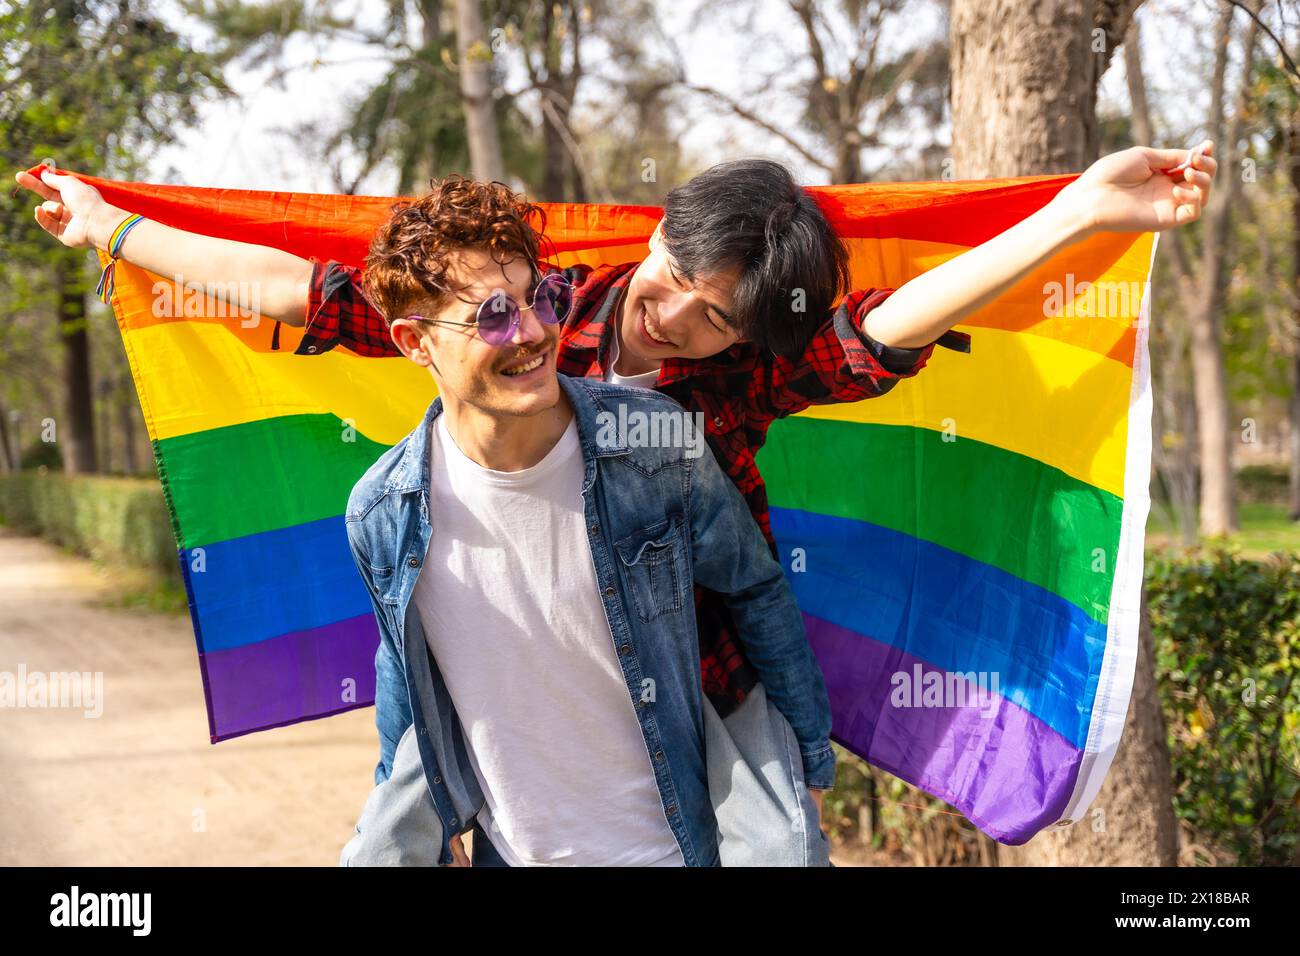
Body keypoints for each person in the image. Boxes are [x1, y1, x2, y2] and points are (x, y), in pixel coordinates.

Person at [15, 140, 1217, 832]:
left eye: (720, 312)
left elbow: (882, 328)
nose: (681, 314)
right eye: (680, 273)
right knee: (411, 822)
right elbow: (301, 290)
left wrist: (1076, 213)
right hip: (515, 675)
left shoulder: (741, 376)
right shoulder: (534, 307)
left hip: (699, 681)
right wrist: (111, 226)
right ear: (656, 233)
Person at [335, 176, 831, 866]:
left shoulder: (657, 443)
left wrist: (806, 762)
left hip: (680, 847)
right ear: (415, 344)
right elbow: (404, 669)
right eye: (494, 315)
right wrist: (418, 806)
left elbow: (755, 590)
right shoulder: (384, 511)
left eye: (539, 298)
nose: (535, 331)